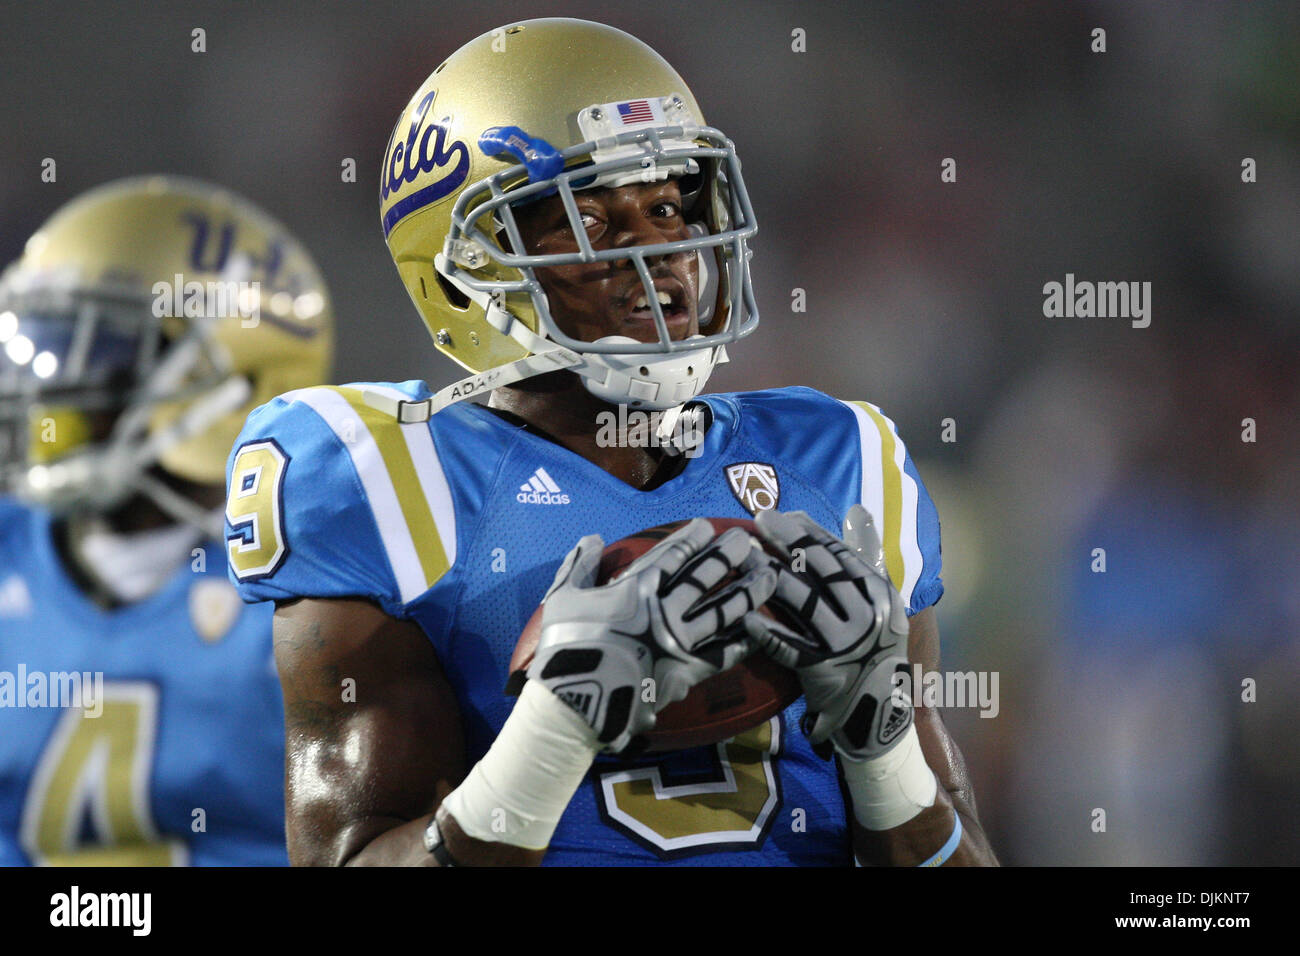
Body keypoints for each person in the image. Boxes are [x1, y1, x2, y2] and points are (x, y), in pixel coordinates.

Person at [228, 18, 996, 865]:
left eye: (668, 205)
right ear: (458, 274)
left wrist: (883, 753)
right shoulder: (386, 478)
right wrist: (551, 735)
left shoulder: (841, 458)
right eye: (589, 220)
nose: (660, 254)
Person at [0, 175, 332, 865]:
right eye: (41, 343)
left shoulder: (315, 589)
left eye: (97, 351)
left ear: (236, 383)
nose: (43, 387)